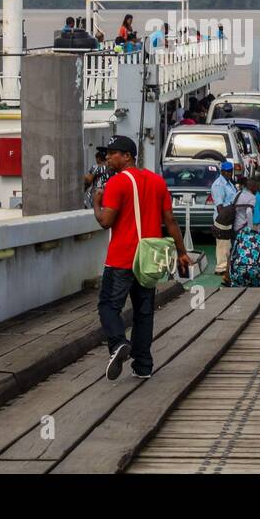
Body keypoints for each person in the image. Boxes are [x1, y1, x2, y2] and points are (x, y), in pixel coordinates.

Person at [92, 135, 191, 380]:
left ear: (127, 156)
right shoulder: (157, 182)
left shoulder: (116, 183)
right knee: (144, 312)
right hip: (148, 259)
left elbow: (105, 221)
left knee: (108, 306)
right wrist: (181, 253)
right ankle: (143, 365)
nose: (108, 157)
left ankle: (117, 344)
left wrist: (96, 203)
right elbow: (170, 221)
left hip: (122, 258)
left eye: (113, 153)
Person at [210, 161, 238, 286]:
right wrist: (225, 219)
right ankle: (220, 268)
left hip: (229, 216)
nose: (229, 173)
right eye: (227, 171)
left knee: (227, 244)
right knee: (222, 243)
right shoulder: (219, 185)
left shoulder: (229, 183)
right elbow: (219, 206)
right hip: (223, 218)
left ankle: (225, 266)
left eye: (230, 171)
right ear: (222, 172)